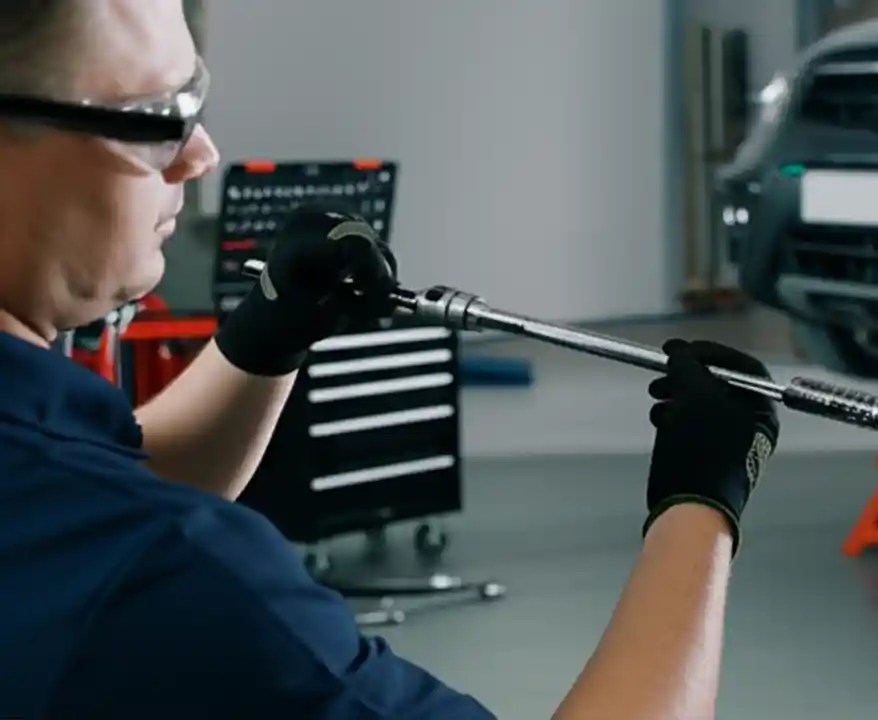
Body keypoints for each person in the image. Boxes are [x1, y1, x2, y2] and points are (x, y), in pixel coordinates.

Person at [0, 2, 781, 718]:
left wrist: (261, 341)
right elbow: (115, 543)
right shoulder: (180, 577)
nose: (199, 155)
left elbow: (80, 508)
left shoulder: (62, 509)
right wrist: (699, 505)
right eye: (157, 116)